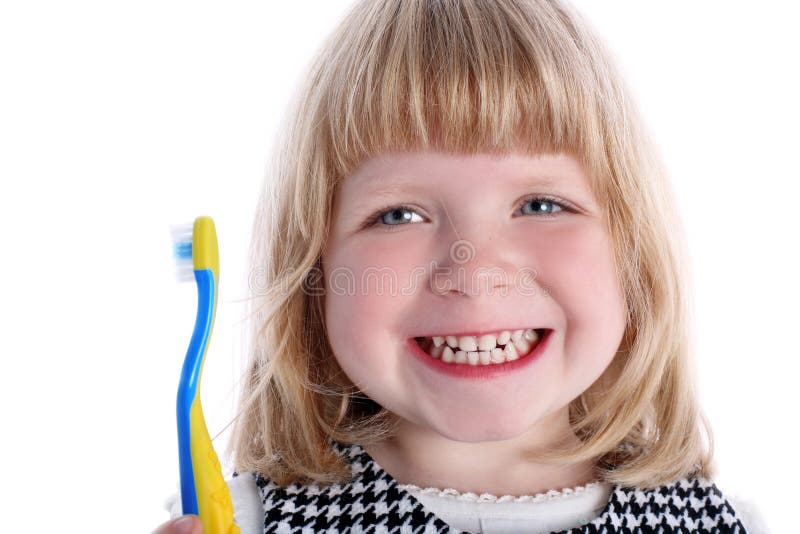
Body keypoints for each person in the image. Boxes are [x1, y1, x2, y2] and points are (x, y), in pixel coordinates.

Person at [156, 0, 768, 532]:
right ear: (314, 274)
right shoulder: (238, 524)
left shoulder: (729, 526)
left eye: (541, 204)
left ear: (632, 250)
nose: (475, 275)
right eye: (398, 215)